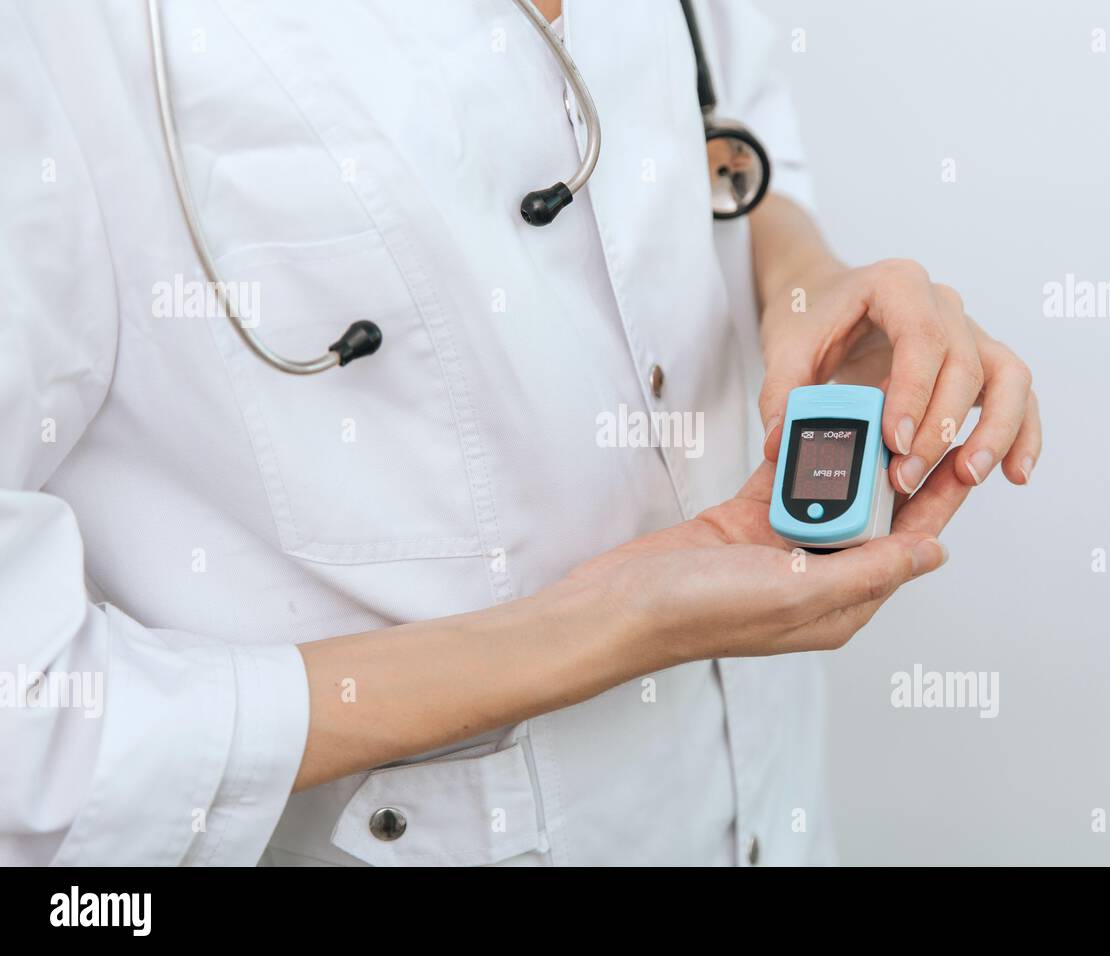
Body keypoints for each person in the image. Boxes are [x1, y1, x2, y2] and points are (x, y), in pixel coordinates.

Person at [0, 0, 1039, 866]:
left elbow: (719, 126)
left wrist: (809, 286)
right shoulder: (55, 41)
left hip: (764, 798)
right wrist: (597, 627)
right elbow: (27, 728)